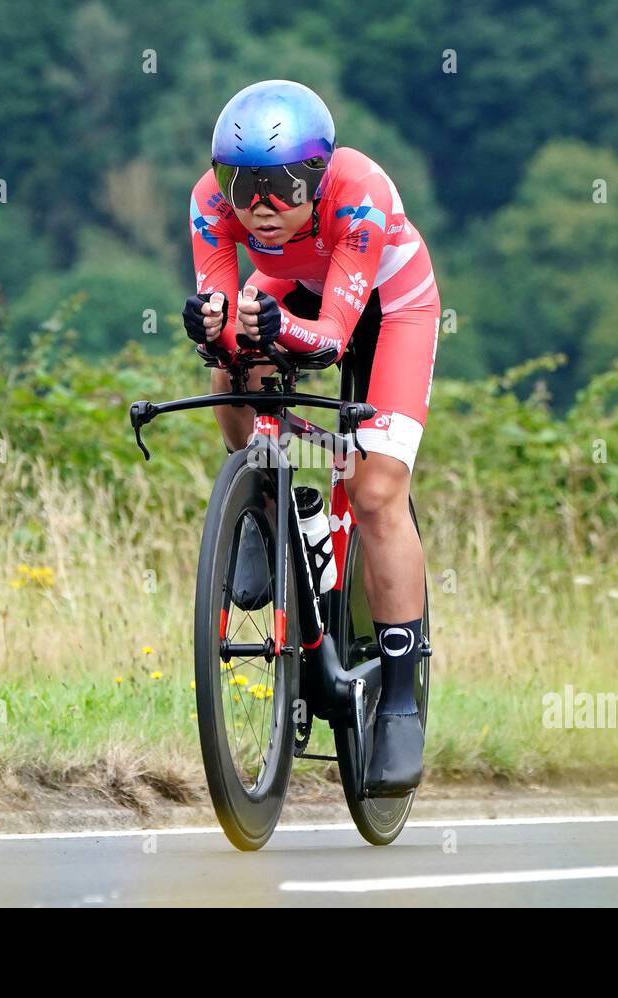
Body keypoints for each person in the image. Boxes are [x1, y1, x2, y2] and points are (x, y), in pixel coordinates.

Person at [182, 80, 439, 795]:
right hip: (294, 291)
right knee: (233, 366)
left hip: (388, 307)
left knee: (377, 487)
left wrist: (273, 328)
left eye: (282, 186)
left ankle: (397, 698)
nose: (259, 206)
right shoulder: (210, 201)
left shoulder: (359, 192)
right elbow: (221, 303)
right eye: (240, 185)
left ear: (319, 175)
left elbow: (328, 339)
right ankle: (265, 505)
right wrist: (213, 328)